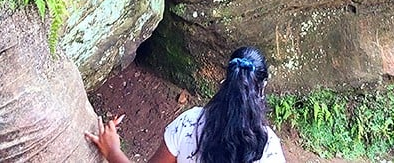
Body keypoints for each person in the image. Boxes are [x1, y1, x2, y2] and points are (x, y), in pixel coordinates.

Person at [86, 45, 286, 163]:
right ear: (262, 86)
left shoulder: (190, 123)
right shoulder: (270, 148)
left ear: (227, 79)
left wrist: (113, 151)